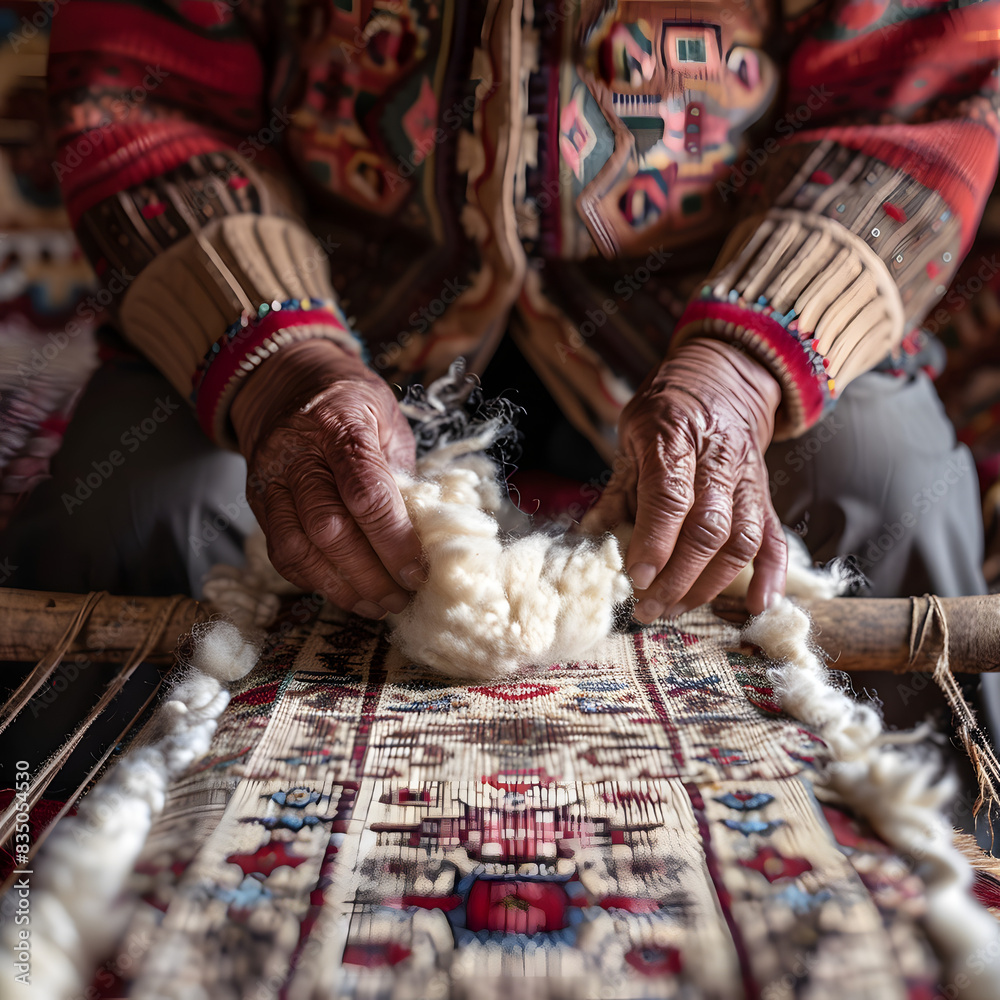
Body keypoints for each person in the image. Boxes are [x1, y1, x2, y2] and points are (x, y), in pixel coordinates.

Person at [6, 0, 999, 630]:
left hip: (718, 301)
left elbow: (904, 95)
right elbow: (150, 88)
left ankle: (942, 886)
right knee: (145, 506)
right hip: (319, 302)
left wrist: (743, 365)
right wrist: (283, 364)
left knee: (883, 484)